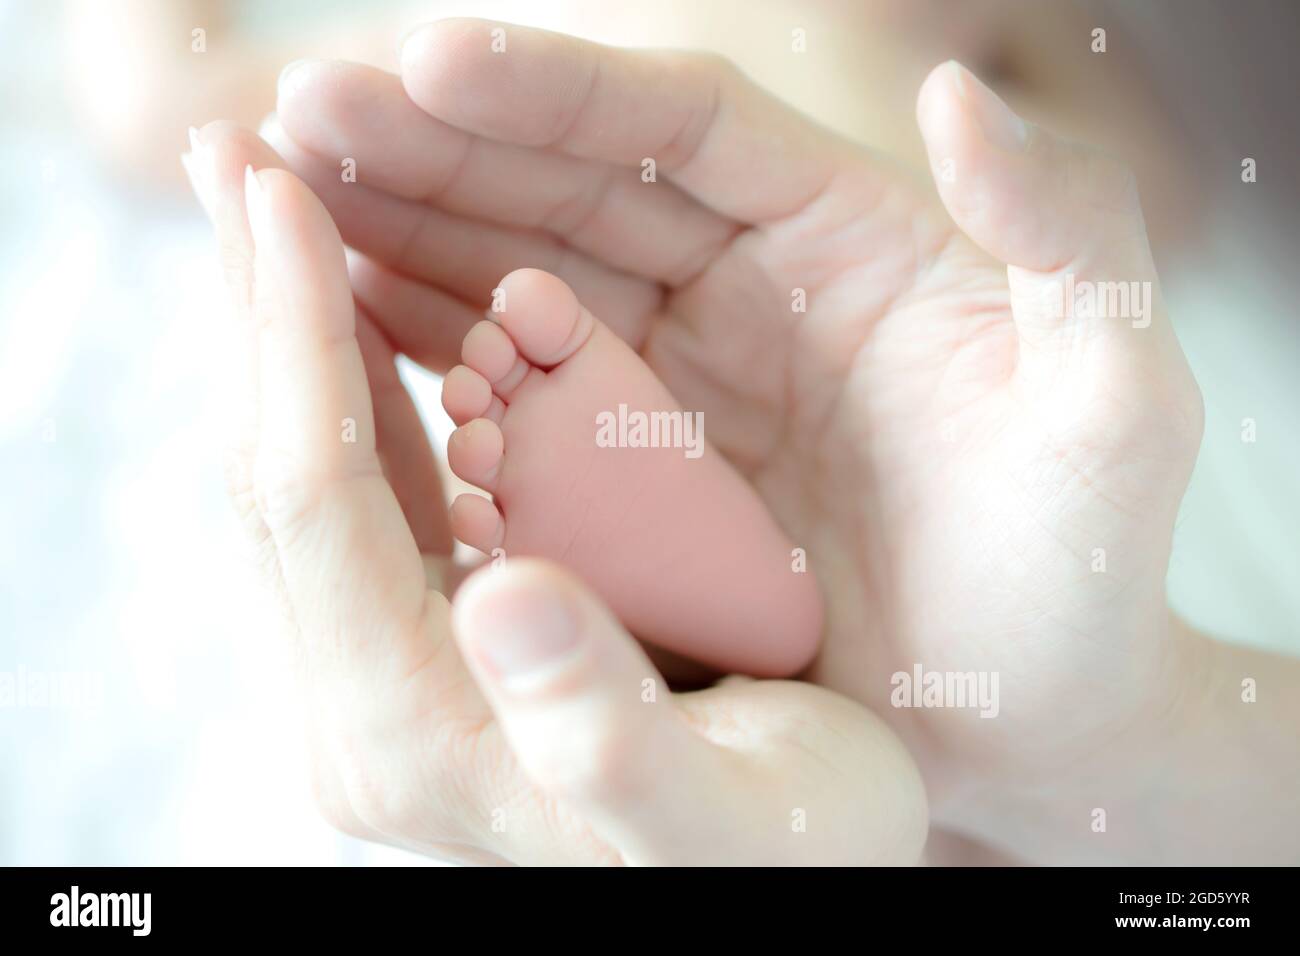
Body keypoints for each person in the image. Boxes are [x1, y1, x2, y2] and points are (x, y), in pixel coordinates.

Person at [184, 18, 1300, 865]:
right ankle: (689, 605)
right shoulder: (471, 48)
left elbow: (1160, 180)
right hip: (728, 278)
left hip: (872, 310)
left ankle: (695, 604)